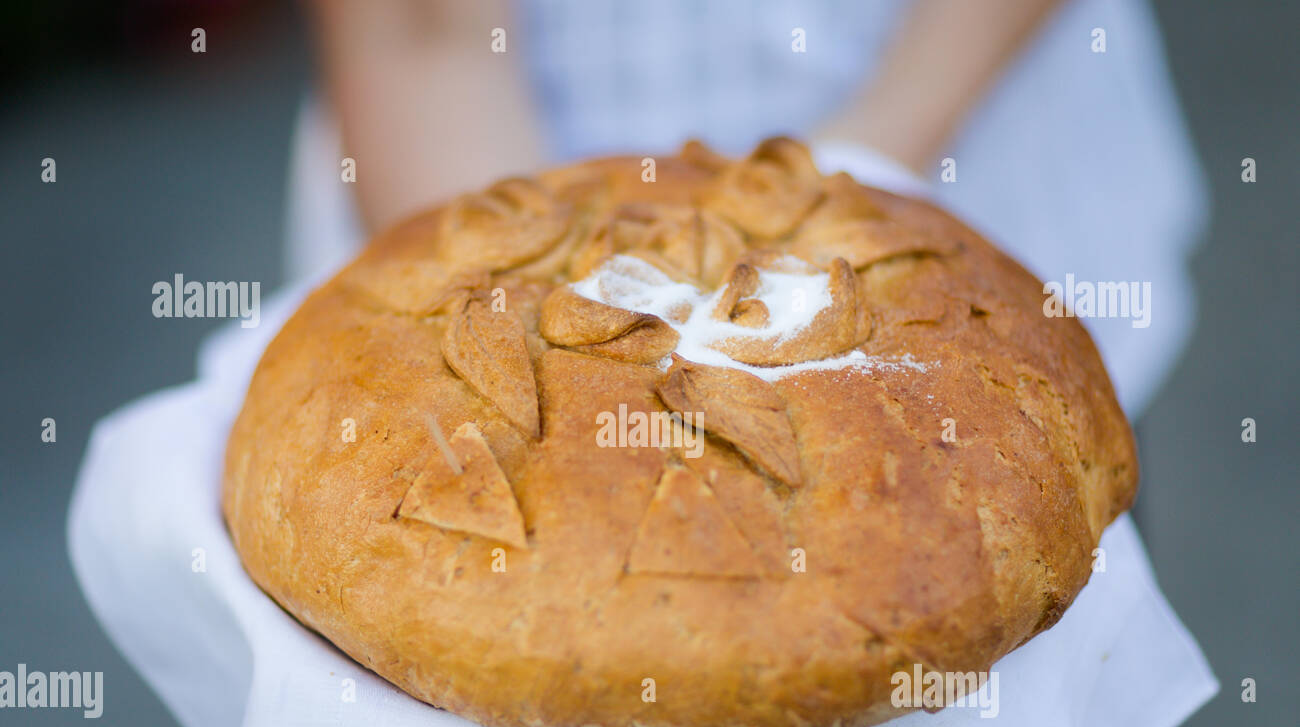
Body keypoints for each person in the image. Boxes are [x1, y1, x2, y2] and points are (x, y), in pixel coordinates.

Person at [292, 0, 1208, 418]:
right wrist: (513, 337)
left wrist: (857, 168)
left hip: (979, 176)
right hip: (472, 165)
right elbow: (417, 30)